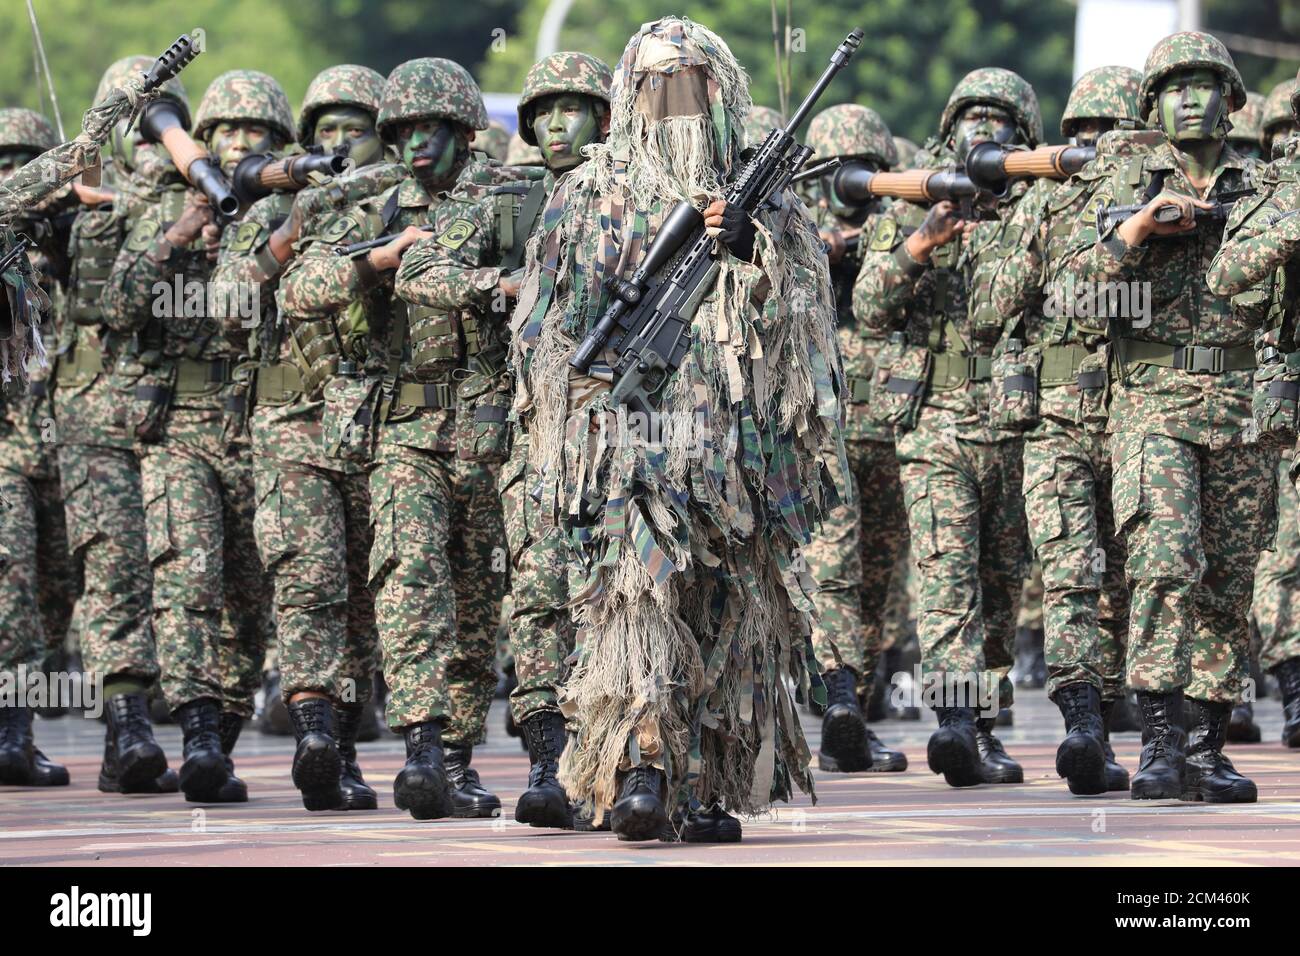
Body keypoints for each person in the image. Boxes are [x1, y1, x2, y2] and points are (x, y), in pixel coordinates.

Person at [509, 16, 845, 842]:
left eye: (694, 80)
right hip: (629, 447)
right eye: (660, 84)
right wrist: (577, 430)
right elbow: (546, 333)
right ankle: (642, 768)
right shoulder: (586, 194)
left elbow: (808, 322)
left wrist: (753, 249)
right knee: (637, 608)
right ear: (631, 94)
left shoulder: (767, 199)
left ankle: (703, 785)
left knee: (726, 617)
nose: (679, 101)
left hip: (735, 455)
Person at [279, 57, 507, 821]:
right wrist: (375, 262)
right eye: (403, 130)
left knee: (477, 596)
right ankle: (420, 748)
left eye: (430, 129)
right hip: (402, 431)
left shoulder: (513, 203)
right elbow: (296, 289)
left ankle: (460, 759)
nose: (415, 145)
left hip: (487, 428)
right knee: (411, 583)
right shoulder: (370, 206)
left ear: (464, 133)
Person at [394, 50, 614, 829]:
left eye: (574, 109)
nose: (556, 125)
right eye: (543, 111)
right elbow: (420, 264)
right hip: (528, 431)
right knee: (537, 593)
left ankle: (632, 759)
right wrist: (497, 285)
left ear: (608, 117)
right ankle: (547, 762)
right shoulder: (510, 197)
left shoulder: (640, 201)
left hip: (625, 430)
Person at [1062, 32, 1269, 803]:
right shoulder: (1122, 178)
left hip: (1242, 408)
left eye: (1204, 82)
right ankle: (1158, 743)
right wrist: (1136, 232)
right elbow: (1071, 298)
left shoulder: (1266, 186)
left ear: (1231, 98)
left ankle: (1209, 747)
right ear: (1152, 103)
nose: (1189, 96)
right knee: (1162, 566)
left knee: (1229, 580)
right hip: (1152, 405)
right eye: (1174, 84)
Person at [101, 69, 294, 803]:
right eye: (228, 133)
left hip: (258, 428)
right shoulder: (162, 203)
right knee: (187, 581)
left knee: (249, 597)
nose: (242, 145)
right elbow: (119, 309)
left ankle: (224, 738)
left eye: (259, 136)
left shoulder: (290, 215)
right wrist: (181, 232)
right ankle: (198, 731)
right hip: (178, 426)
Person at [855, 67, 1043, 788]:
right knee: (945, 574)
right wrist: (921, 245)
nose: (983, 130)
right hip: (933, 423)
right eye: (971, 115)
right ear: (948, 128)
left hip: (1015, 420)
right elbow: (870, 306)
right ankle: (955, 723)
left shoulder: (1037, 210)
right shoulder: (911, 204)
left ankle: (985, 727)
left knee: (1000, 583)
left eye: (999, 118)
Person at [210, 64, 389, 811]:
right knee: (307, 580)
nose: (343, 143)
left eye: (358, 129)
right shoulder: (268, 213)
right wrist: (286, 237)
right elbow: (221, 302)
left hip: (378, 424)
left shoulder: (405, 205)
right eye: (329, 131)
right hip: (290, 424)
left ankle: (343, 747)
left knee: (368, 598)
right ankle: (315, 730)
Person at [971, 65, 1148, 794]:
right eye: (1078, 134)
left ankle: (1123, 717)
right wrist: (1047, 232)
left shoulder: (1165, 197)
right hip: (1056, 422)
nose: (1090, 147)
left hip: (1142, 412)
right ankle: (1084, 727)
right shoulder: (1038, 205)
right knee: (1070, 575)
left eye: (1106, 134)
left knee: (1131, 582)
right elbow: (985, 309)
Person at [800, 102, 908, 774]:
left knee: (877, 577)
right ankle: (838, 696)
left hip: (891, 430)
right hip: (823, 428)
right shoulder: (792, 226)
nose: (853, 182)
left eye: (865, 170)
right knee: (831, 568)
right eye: (841, 170)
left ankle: (855, 711)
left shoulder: (901, 230)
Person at [1206, 65, 1300, 753]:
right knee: (1278, 549)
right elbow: (1228, 277)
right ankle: (1289, 686)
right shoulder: (1272, 193)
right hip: (1281, 389)